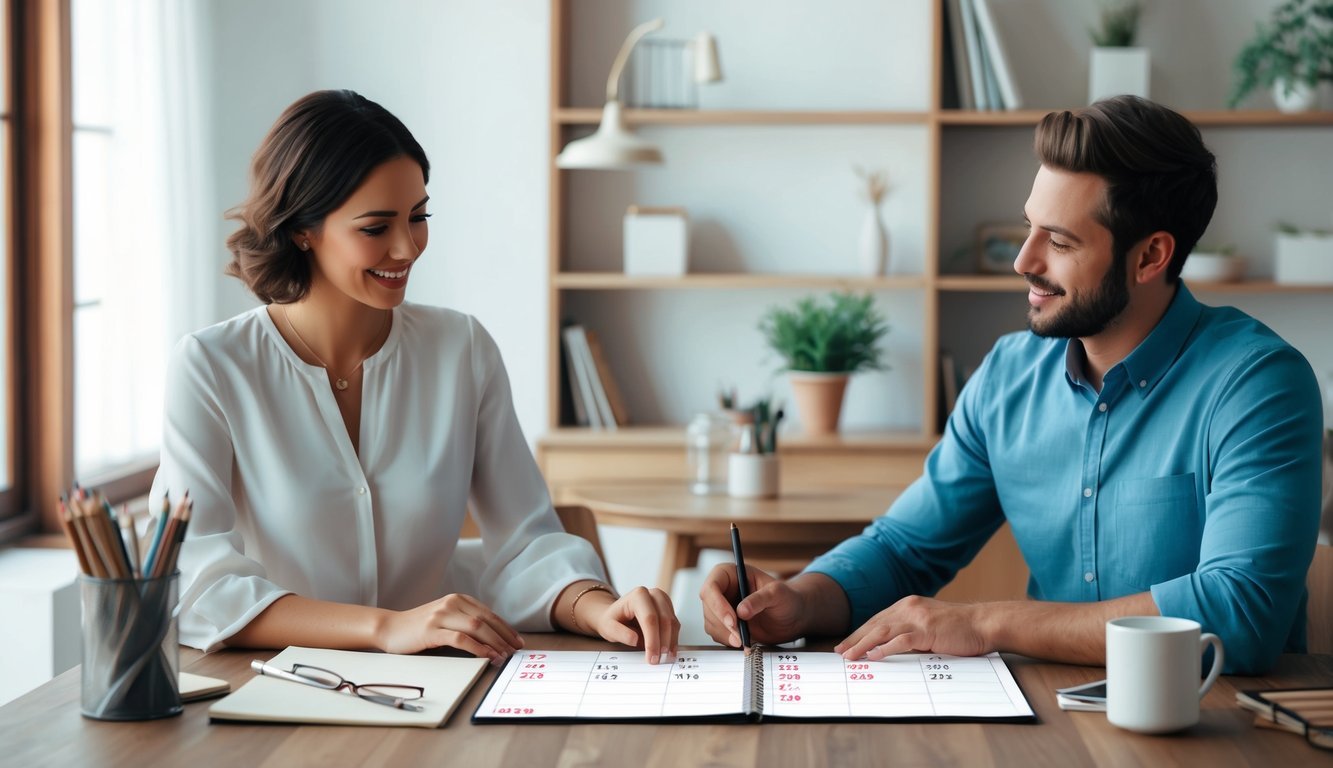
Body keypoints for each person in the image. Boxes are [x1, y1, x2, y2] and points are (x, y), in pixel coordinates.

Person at [700, 95, 1322, 675]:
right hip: (1052, 720)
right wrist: (800, 600)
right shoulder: (1007, 376)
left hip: (1223, 726)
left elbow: (1242, 612)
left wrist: (987, 621)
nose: (1024, 260)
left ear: (1150, 256)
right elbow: (905, 548)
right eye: (1029, 227)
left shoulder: (1258, 385)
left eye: (1058, 241)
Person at [153, 89, 679, 665]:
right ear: (303, 228)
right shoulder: (211, 365)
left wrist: (599, 608)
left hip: (437, 694)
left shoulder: (462, 349)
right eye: (376, 227)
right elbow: (196, 584)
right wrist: (386, 628)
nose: (408, 247)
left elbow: (529, 541)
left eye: (419, 216)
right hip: (273, 691)